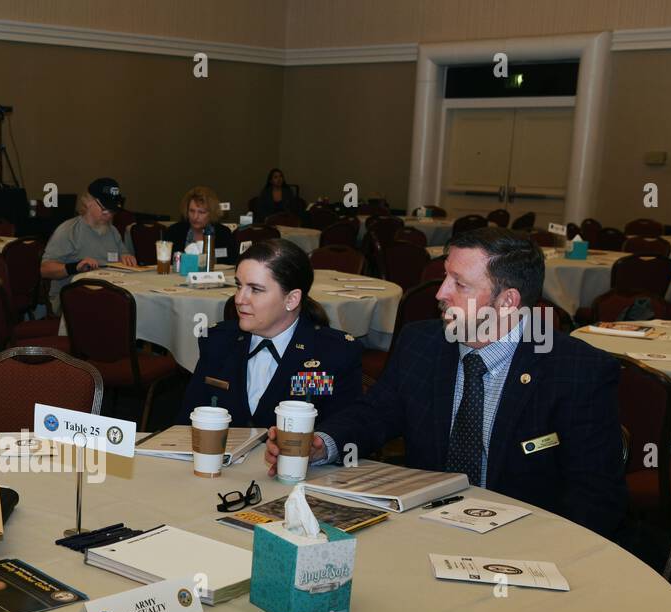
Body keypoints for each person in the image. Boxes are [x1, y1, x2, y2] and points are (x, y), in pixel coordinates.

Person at [264, 227, 627, 537]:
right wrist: (321, 443)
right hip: (426, 527)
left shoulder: (575, 370)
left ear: (507, 303)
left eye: (460, 284)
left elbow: (594, 497)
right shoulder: (422, 342)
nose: (440, 294)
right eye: (444, 278)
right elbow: (375, 413)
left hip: (522, 539)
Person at [178, 240, 360, 427]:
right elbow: (187, 423)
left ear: (291, 299)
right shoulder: (218, 341)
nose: (239, 299)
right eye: (239, 286)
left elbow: (342, 432)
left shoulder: (333, 353)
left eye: (255, 290)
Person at [40, 177, 137, 311]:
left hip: (106, 295)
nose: (109, 214)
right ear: (88, 202)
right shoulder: (69, 231)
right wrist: (75, 267)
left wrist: (126, 257)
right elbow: (45, 270)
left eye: (113, 210)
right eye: (105, 209)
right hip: (72, 301)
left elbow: (122, 255)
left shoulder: (112, 231)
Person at [163, 186, 235, 267]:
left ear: (211, 213)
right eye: (192, 211)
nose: (195, 217)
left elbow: (230, 263)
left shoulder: (223, 233)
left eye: (201, 212)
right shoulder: (174, 232)